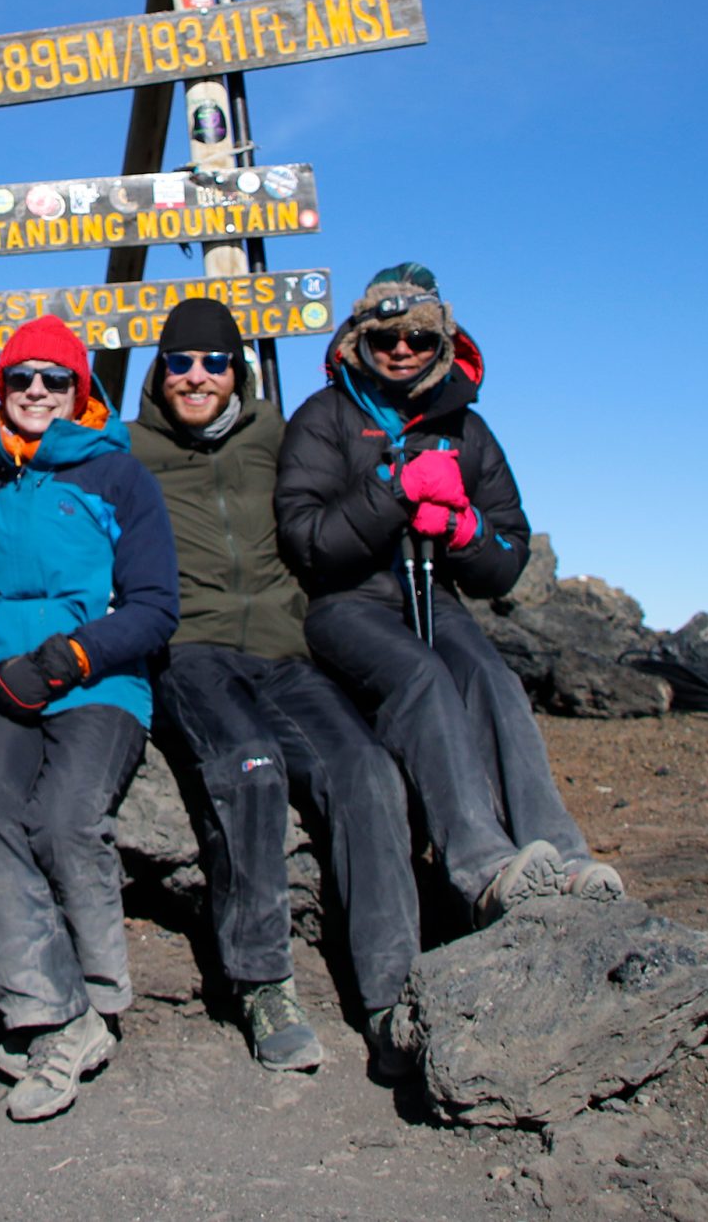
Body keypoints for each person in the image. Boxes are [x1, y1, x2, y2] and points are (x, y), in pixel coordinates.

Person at [276, 261, 623, 934]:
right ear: (359, 342)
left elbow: (508, 557)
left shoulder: (467, 429)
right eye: (386, 338)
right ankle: (484, 869)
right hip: (346, 603)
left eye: (418, 336)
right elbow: (308, 540)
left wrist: (465, 530)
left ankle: (565, 856)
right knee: (424, 676)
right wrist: (395, 491)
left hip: (434, 592)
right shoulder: (325, 417)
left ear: (443, 343)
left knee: (493, 678)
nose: (402, 348)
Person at [130, 298, 420, 1075]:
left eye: (214, 362)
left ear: (238, 371)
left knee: (365, 769)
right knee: (250, 766)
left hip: (287, 650)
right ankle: (262, 981)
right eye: (182, 362)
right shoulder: (128, 448)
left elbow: (337, 490)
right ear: (160, 372)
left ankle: (392, 993)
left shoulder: (276, 435)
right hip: (190, 650)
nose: (198, 376)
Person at [0, 316, 176, 1121]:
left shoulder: (119, 474)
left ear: (81, 390)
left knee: (66, 816)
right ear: (2, 389)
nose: (37, 390)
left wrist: (64, 661)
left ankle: (101, 996)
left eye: (55, 378)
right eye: (21, 378)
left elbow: (155, 608)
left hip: (97, 680)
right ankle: (56, 1011)